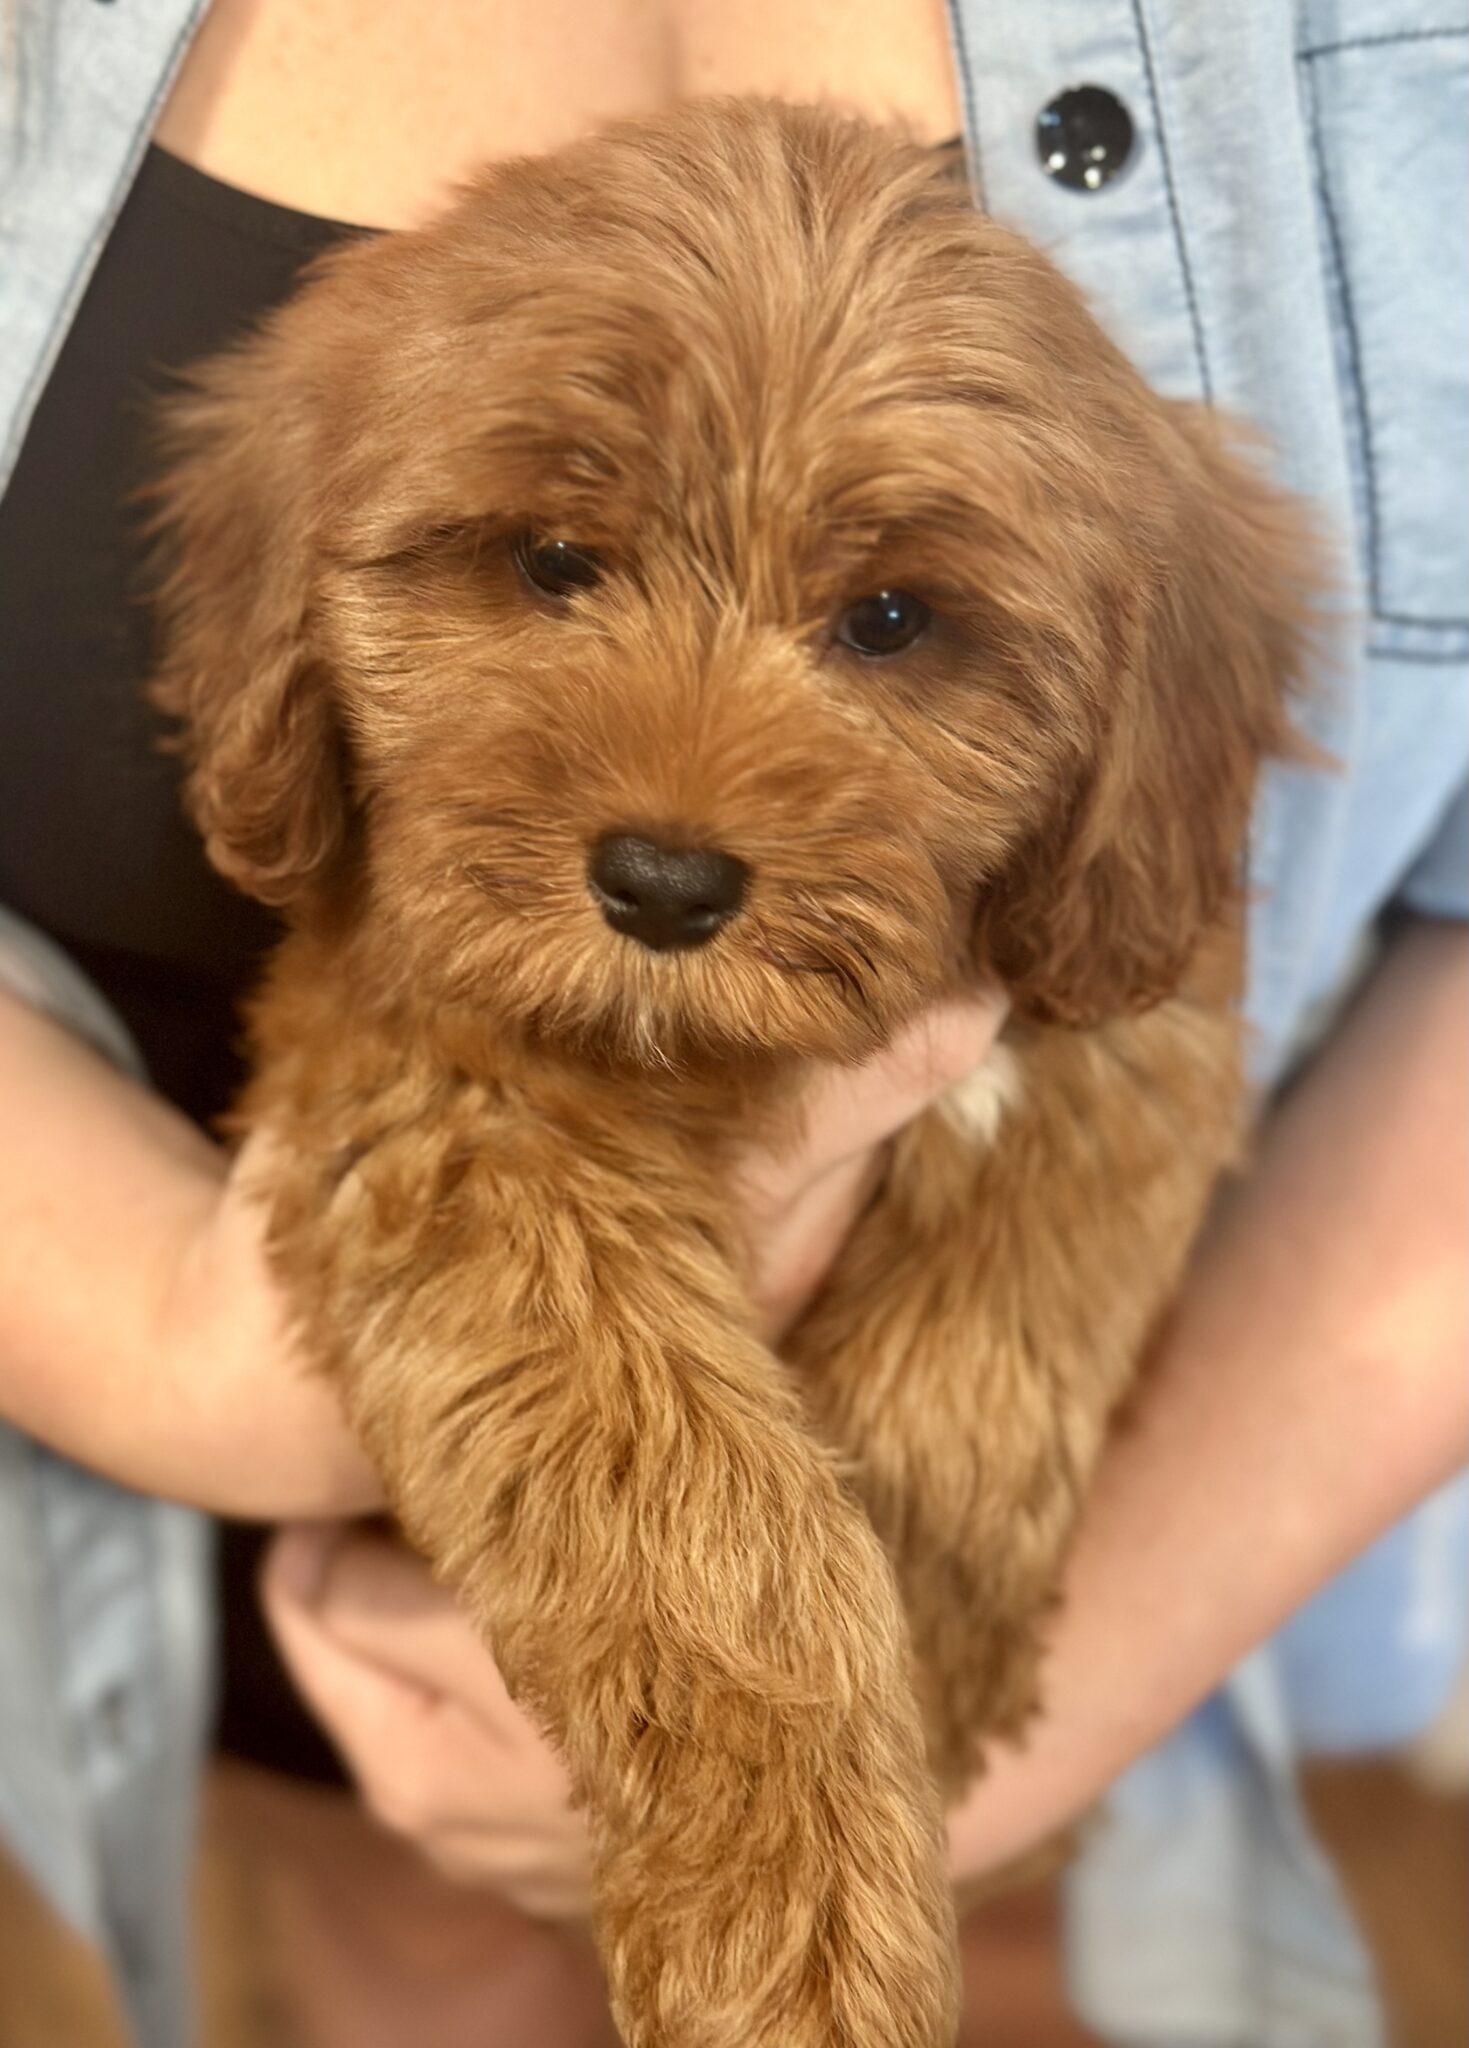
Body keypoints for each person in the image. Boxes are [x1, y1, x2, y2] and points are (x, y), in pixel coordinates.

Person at [0, 3, 1464, 2046]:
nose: (679, 808)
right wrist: (176, 1350)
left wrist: (979, 1704)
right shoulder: (310, 447)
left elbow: (1164, 1013)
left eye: (884, 624)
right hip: (165, 1655)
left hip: (1166, 1702)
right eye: (557, 562)